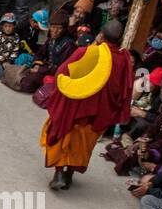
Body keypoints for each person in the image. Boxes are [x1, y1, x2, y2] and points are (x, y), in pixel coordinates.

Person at [42, 19, 133, 189]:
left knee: (63, 135)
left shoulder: (88, 52)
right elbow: (123, 91)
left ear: (101, 36)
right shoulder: (124, 61)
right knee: (82, 145)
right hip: (99, 114)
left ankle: (59, 172)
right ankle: (69, 175)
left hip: (75, 109)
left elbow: (62, 74)